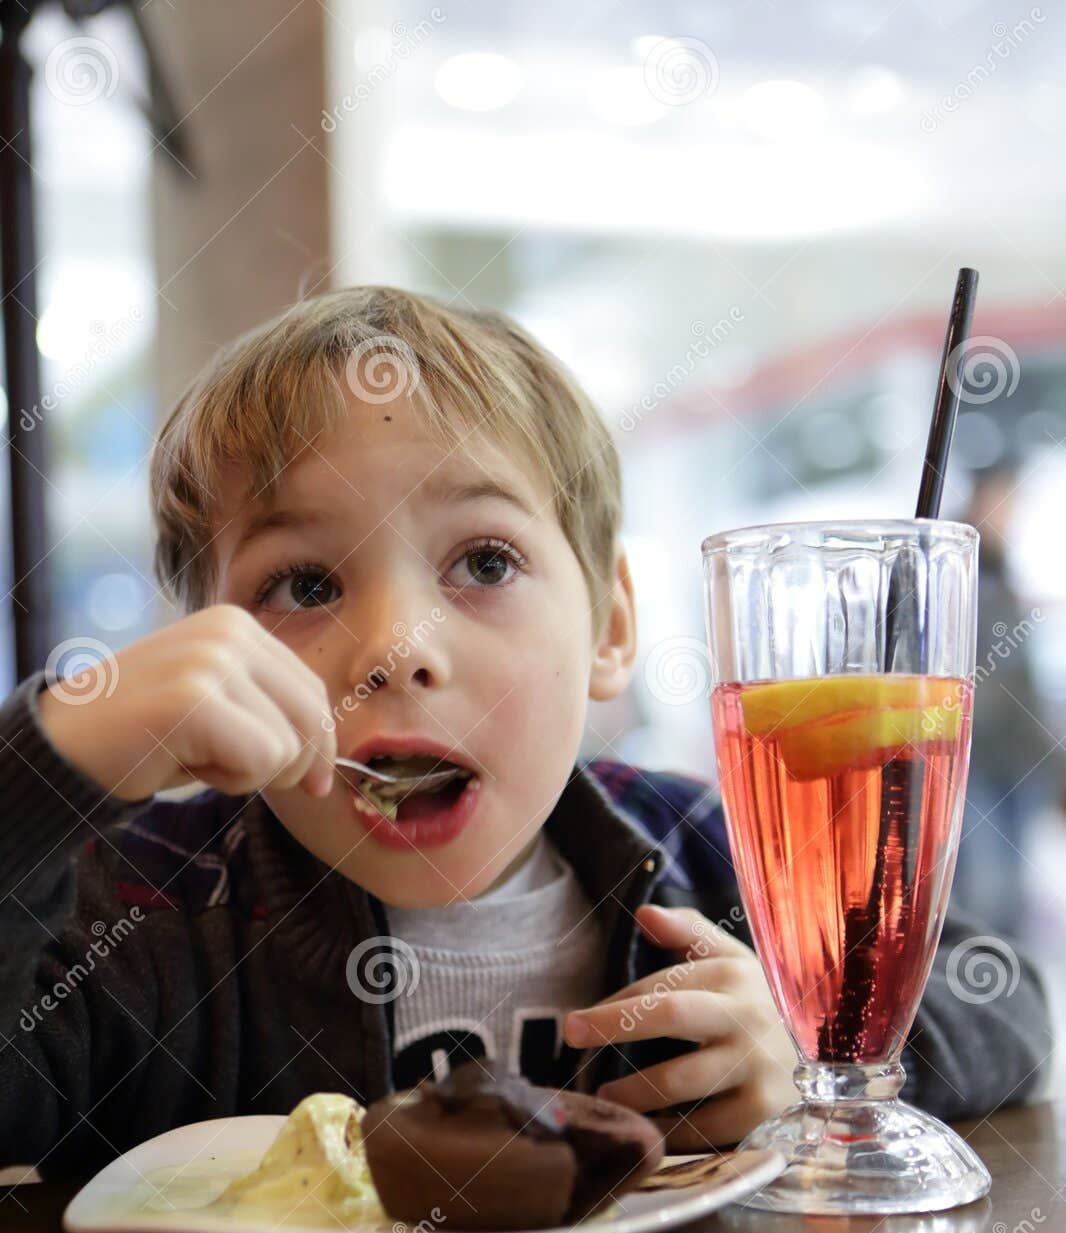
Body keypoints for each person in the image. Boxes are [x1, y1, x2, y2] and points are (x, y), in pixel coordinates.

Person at [0, 288, 1052, 1180]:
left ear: (609, 627)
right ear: (209, 649)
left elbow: (1004, 997)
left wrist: (803, 1056)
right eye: (306, 583)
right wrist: (50, 763)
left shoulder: (695, 853)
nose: (396, 651)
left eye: (485, 564)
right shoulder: (150, 915)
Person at [953, 463, 1051, 937]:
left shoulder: (1003, 571)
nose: (1009, 513)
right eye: (1003, 501)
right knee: (983, 886)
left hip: (1017, 755)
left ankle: (1007, 984)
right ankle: (985, 984)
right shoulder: (955, 565)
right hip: (976, 760)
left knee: (1012, 885)